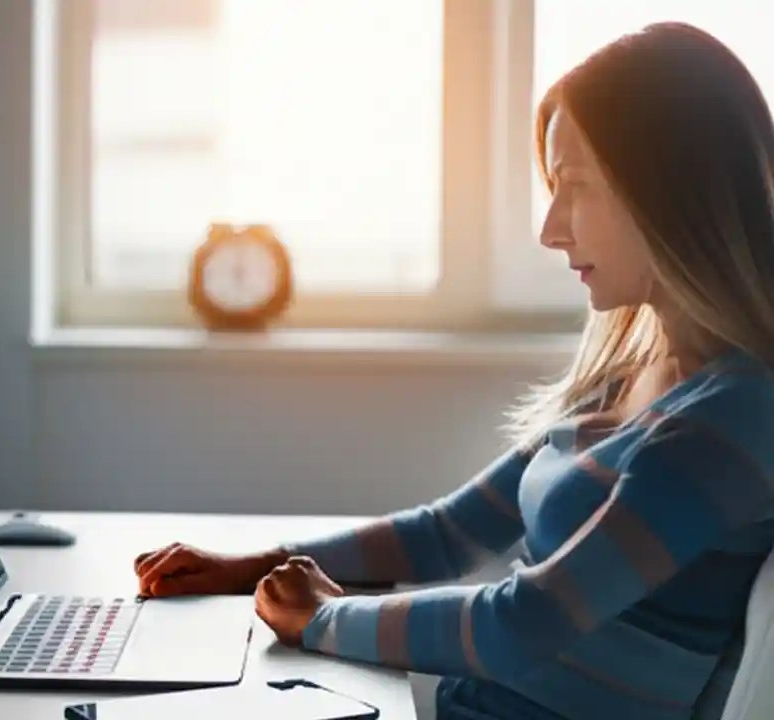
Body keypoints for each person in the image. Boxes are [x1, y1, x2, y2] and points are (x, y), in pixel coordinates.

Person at [133, 22, 774, 720]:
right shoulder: (628, 374)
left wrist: (322, 619)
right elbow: (446, 533)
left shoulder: (729, 421)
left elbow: (525, 623)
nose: (552, 228)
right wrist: (248, 569)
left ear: (669, 192)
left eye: (575, 187)